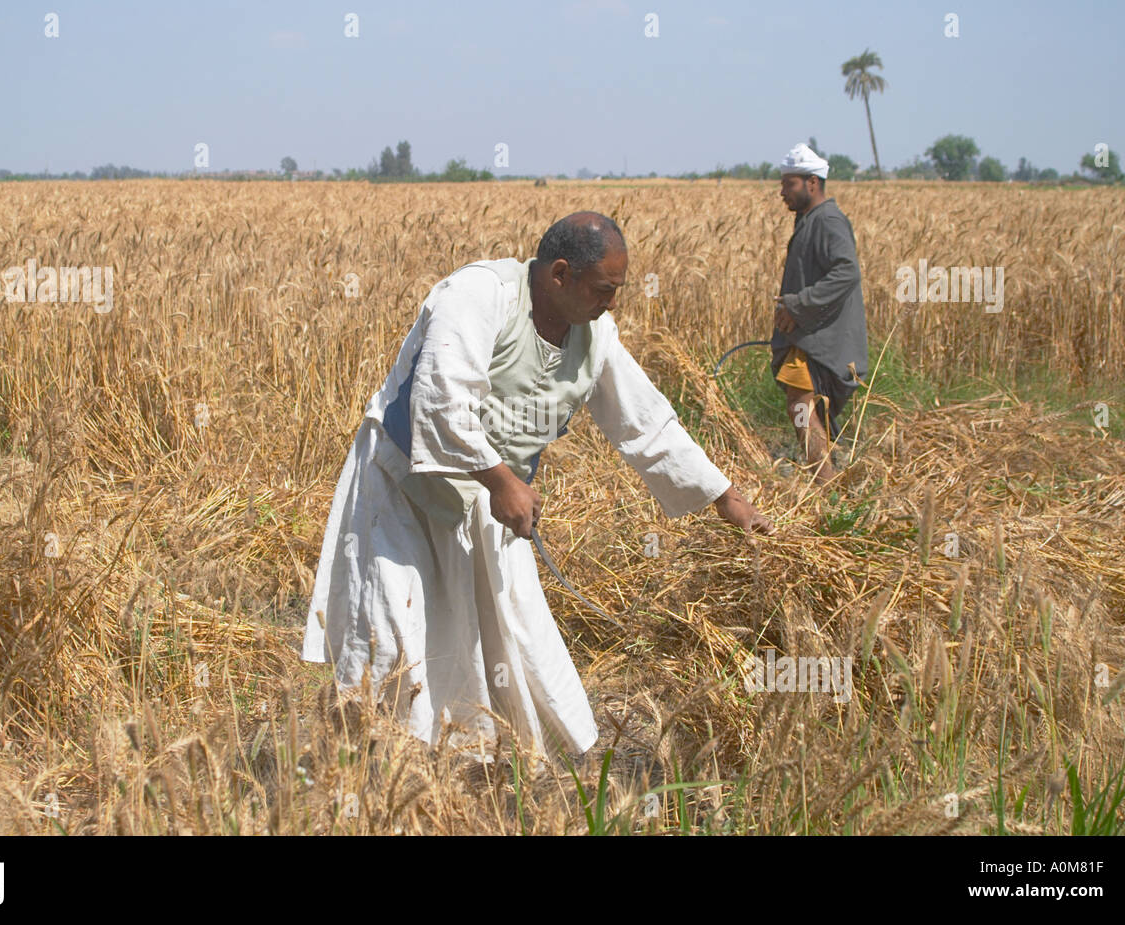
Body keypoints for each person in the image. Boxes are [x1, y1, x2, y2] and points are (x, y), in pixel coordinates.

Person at [302, 212, 773, 761]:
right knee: (395, 636)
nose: (611, 304)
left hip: (485, 500)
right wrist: (502, 480)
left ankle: (486, 769)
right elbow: (441, 398)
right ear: (558, 275)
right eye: (603, 290)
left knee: (511, 643)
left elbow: (645, 421)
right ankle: (366, 770)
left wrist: (725, 496)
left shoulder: (596, 337)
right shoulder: (480, 294)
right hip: (401, 486)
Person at [771, 143, 869, 485]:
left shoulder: (828, 220)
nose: (783, 192)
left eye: (790, 184)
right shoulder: (809, 220)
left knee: (801, 405)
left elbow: (847, 272)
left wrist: (798, 304)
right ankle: (833, 482)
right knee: (808, 408)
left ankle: (826, 491)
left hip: (821, 337)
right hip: (809, 334)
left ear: (812, 183)